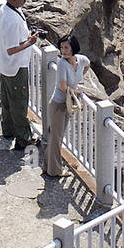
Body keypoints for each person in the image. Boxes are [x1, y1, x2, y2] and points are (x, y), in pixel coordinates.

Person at [0, 0, 41, 150]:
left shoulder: (8, 9)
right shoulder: (12, 20)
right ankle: (24, 138)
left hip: (5, 65)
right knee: (19, 102)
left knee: (7, 100)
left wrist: (27, 35)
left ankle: (8, 130)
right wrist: (30, 42)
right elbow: (12, 49)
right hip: (16, 66)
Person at [43, 34, 90, 178]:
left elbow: (87, 65)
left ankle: (47, 166)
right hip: (58, 104)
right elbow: (63, 87)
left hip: (66, 104)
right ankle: (55, 171)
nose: (63, 50)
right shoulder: (62, 63)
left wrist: (77, 79)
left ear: (73, 47)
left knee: (56, 136)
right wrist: (76, 90)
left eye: (66, 47)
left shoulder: (81, 59)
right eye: (61, 47)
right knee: (56, 138)